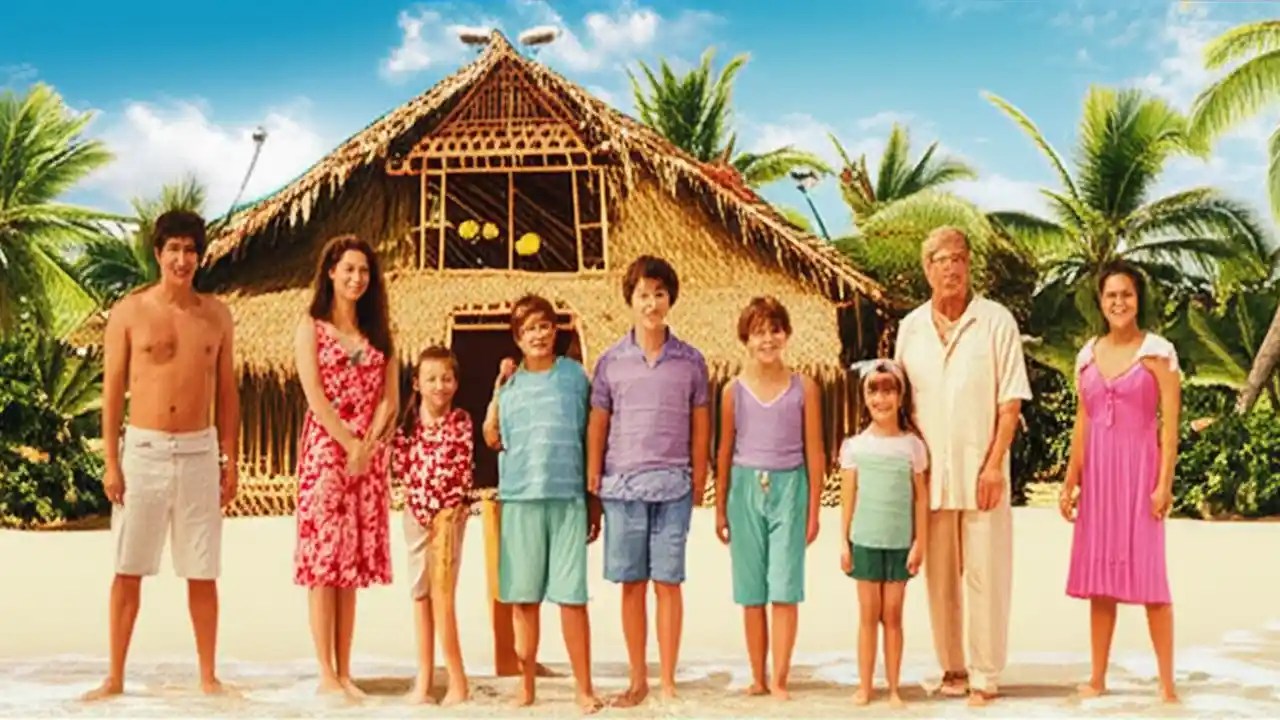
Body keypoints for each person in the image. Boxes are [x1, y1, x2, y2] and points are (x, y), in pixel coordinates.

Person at [82, 210, 239, 701]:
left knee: (202, 570)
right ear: (157, 253)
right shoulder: (129, 312)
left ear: (200, 255)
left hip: (199, 448)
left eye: (191, 250)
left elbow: (229, 392)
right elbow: (112, 392)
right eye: (173, 249)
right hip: (144, 450)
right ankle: (115, 676)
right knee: (128, 567)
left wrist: (230, 460)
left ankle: (209, 675)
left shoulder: (217, 314)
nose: (182, 259)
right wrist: (111, 460)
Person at [893, 226, 1031, 706]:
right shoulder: (910, 327)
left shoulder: (995, 321)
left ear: (969, 264)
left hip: (982, 470)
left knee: (986, 571)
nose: (950, 267)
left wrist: (994, 465)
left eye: (958, 258)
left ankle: (985, 671)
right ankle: (951, 664)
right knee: (939, 576)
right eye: (939, 259)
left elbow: (1011, 401)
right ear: (925, 268)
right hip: (930, 474)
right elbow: (900, 402)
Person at [587, 255, 711, 705]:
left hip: (675, 483)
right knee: (632, 583)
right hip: (622, 485)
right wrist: (593, 476)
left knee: (669, 583)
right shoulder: (610, 362)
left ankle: (669, 680)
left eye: (660, 294)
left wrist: (699, 478)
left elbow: (701, 423)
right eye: (643, 295)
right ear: (630, 301)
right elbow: (598, 422)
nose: (652, 303)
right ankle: (638, 678)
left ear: (670, 299)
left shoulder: (691, 361)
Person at [1059, 261, 1180, 704]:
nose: (1119, 302)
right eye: (1111, 295)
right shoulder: (1087, 355)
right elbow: (1083, 421)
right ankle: (1097, 676)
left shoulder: (1158, 352)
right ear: (1100, 301)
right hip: (1099, 476)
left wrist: (1163, 483)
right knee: (1100, 582)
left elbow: (1170, 428)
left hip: (1139, 475)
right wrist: (1071, 480)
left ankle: (1167, 685)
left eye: (1126, 294)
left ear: (1138, 298)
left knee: (1151, 579)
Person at [482, 294, 603, 713]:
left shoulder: (574, 377)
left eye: (545, 326)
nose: (538, 335)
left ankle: (584, 687)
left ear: (556, 331)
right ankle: (526, 683)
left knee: (572, 597)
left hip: (568, 496)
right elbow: (491, 436)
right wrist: (498, 390)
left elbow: (590, 431)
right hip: (520, 500)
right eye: (529, 329)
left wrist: (593, 498)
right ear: (517, 337)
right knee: (525, 598)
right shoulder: (509, 385)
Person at [292, 234, 399, 698]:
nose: (356, 278)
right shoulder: (311, 326)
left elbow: (390, 398)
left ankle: (346, 669)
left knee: (349, 566)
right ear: (331, 272)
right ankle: (325, 672)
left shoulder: (378, 334)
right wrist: (348, 443)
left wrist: (368, 444)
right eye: (348, 269)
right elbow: (314, 394)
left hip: (367, 459)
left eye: (364, 271)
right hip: (326, 453)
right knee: (323, 563)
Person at [713, 296, 823, 700]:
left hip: (790, 488)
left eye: (775, 330)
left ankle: (780, 677)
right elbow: (724, 451)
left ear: (787, 335)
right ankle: (757, 676)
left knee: (785, 586)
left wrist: (813, 511)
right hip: (744, 489)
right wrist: (721, 507)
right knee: (751, 590)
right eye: (759, 332)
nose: (767, 339)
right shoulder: (732, 392)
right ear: (746, 338)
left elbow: (815, 450)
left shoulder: (804, 387)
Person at [839, 359, 929, 708]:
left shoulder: (912, 447)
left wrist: (919, 542)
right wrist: (843, 542)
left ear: (900, 396)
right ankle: (864, 685)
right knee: (867, 615)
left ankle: (893, 686)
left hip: (899, 544)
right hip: (864, 541)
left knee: (893, 614)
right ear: (864, 398)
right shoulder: (855, 447)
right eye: (873, 391)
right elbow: (848, 499)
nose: (881, 399)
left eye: (889, 391)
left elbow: (921, 499)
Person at [391, 346, 473, 706]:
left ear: (455, 382)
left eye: (446, 378)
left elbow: (458, 470)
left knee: (443, 596)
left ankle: (458, 680)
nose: (439, 386)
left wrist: (445, 513)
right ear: (417, 384)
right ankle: (423, 677)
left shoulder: (461, 421)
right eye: (432, 379)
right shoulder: (407, 425)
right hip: (415, 515)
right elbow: (400, 466)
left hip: (448, 516)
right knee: (420, 594)